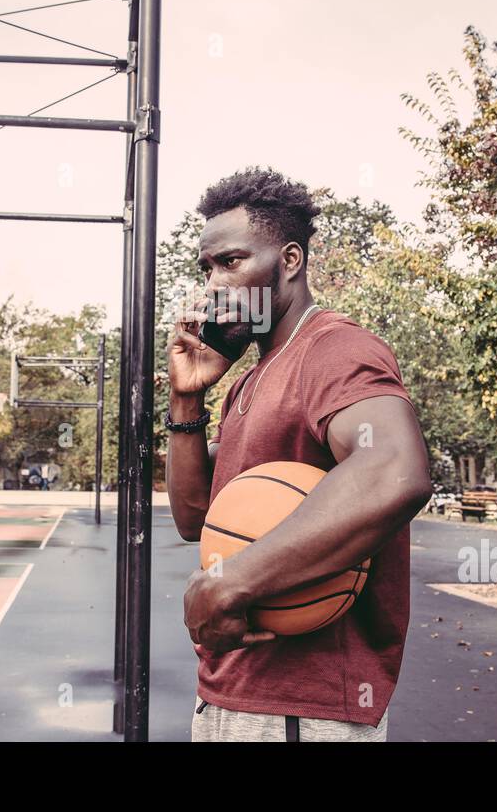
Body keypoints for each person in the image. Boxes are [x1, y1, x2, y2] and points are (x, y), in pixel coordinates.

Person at [165, 166, 433, 742]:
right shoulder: (250, 378)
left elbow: (396, 471)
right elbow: (194, 519)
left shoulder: (335, 350)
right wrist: (186, 399)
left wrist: (229, 583)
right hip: (234, 690)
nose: (214, 283)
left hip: (304, 707)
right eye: (206, 267)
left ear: (289, 260)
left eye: (231, 261)